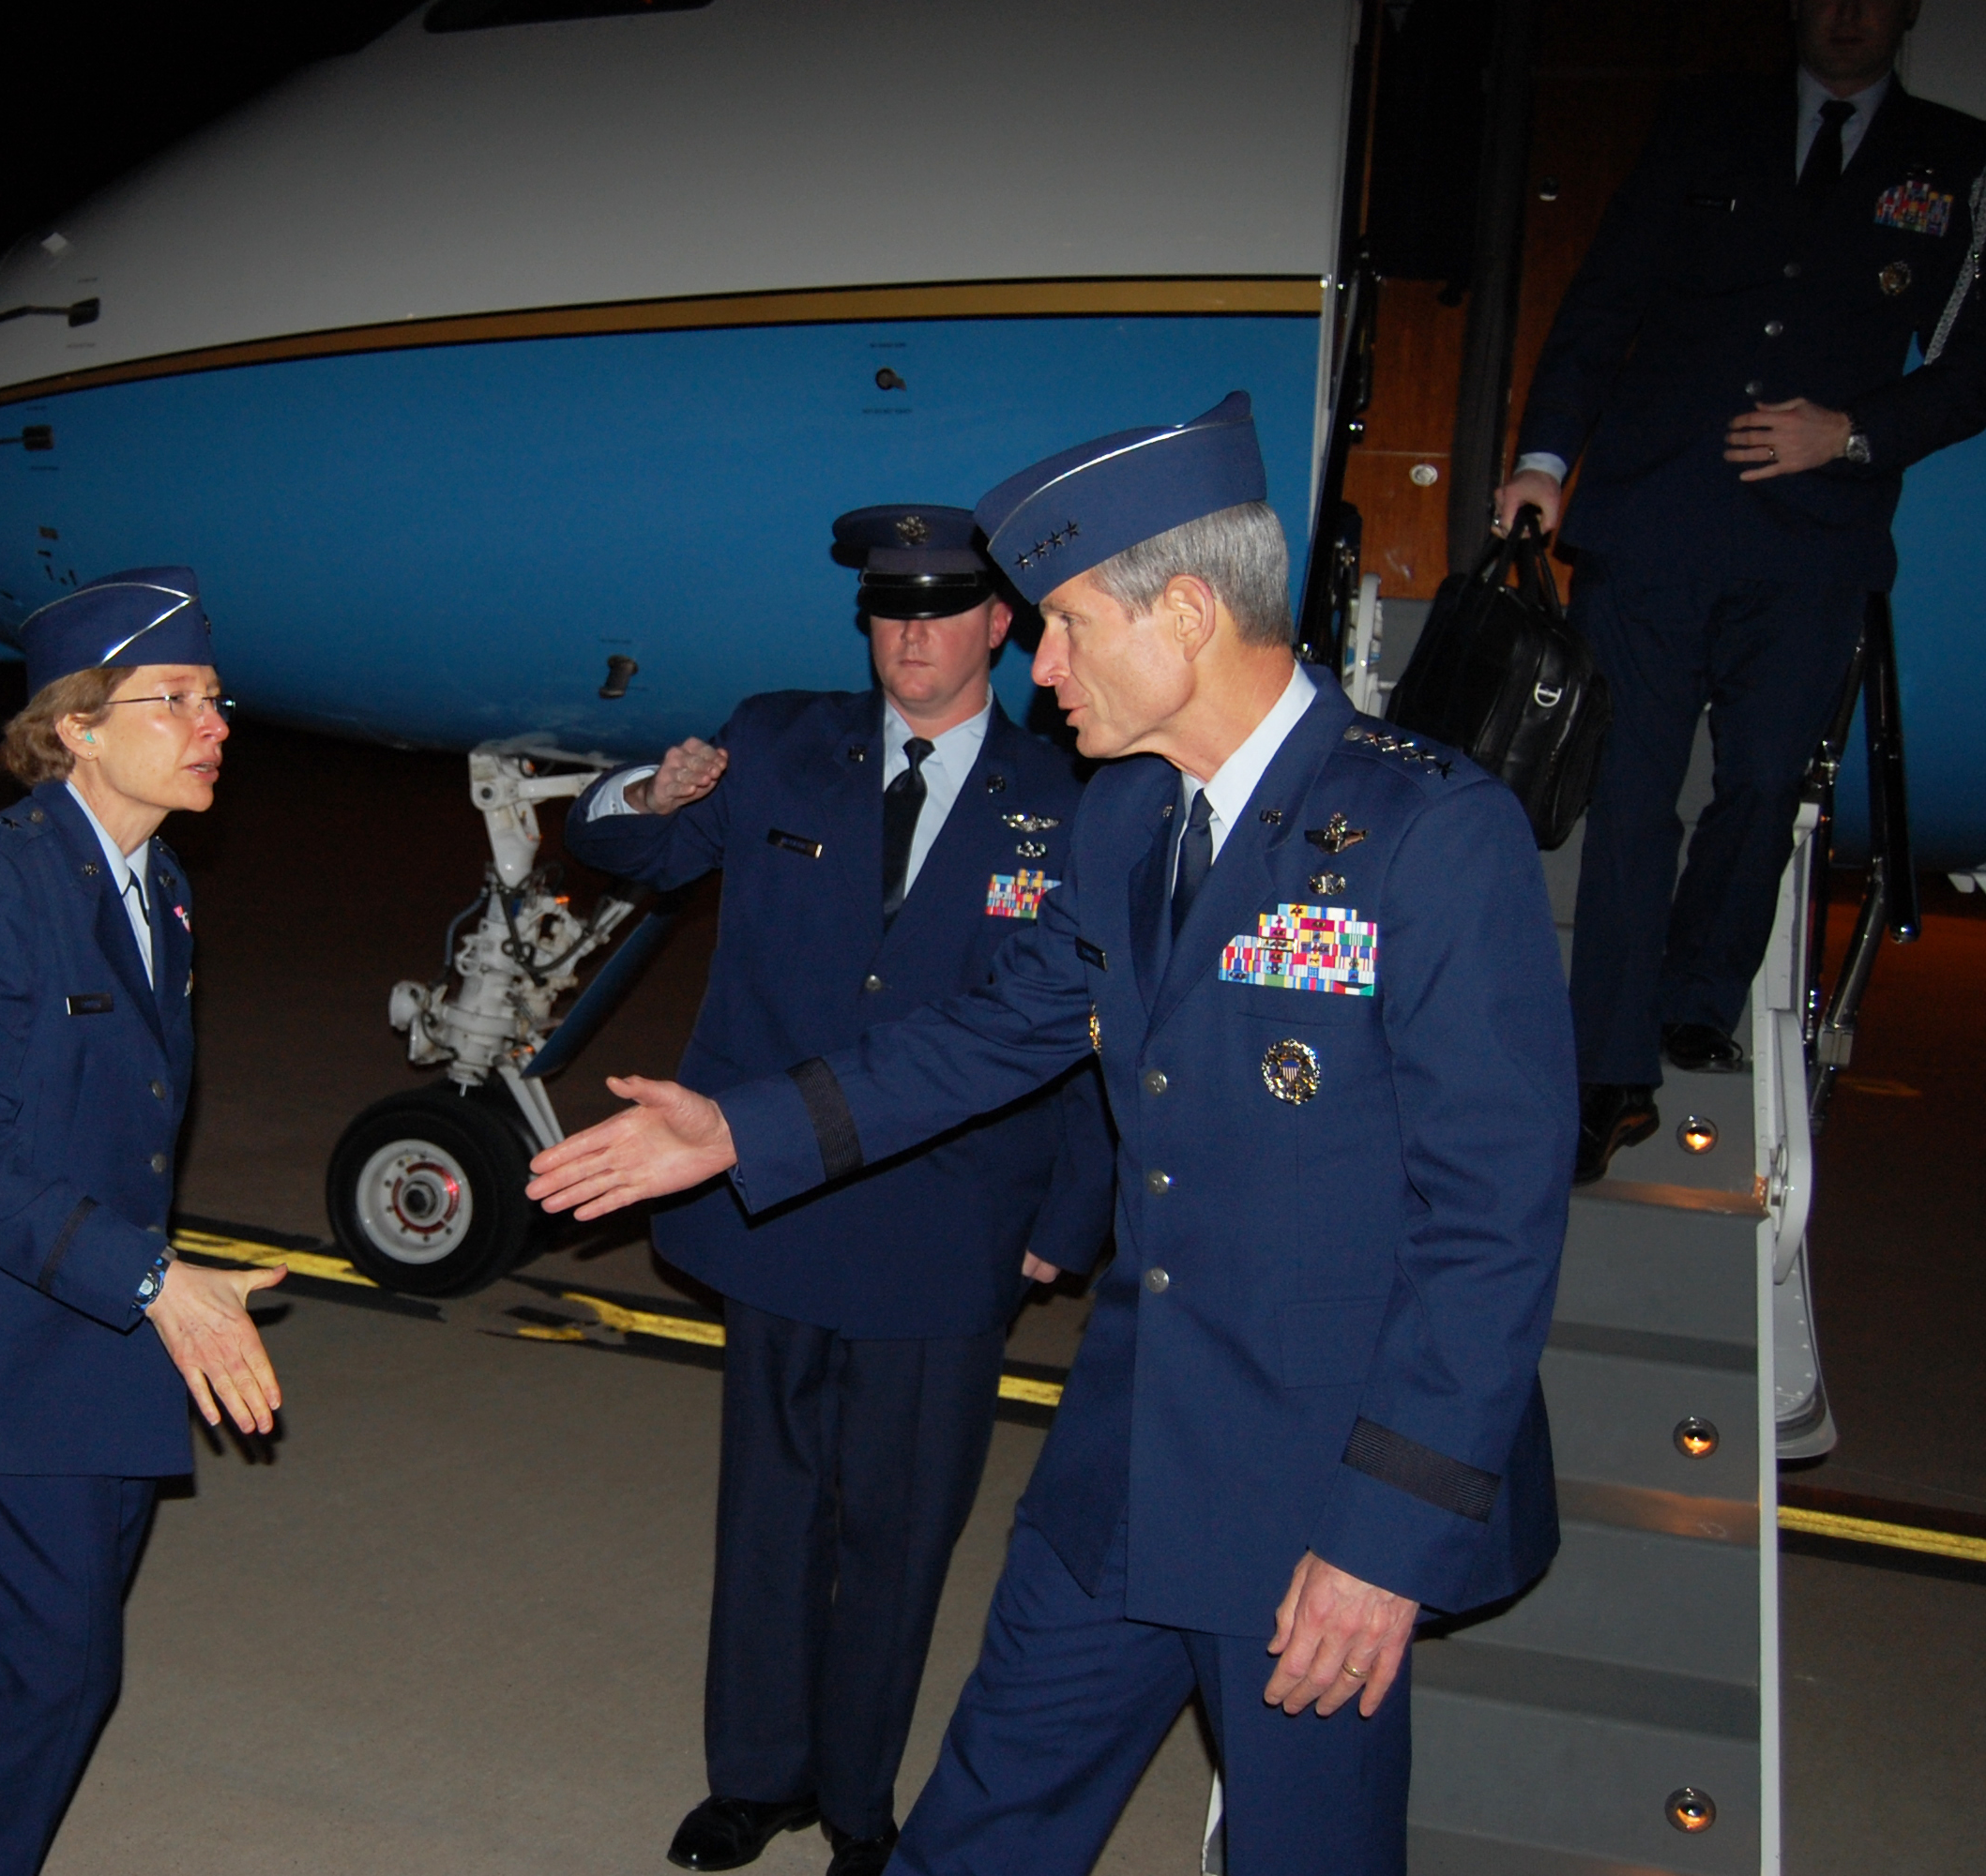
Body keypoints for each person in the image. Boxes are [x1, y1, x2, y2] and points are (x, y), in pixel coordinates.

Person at [529, 393, 1572, 1876]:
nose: (1041, 658)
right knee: (978, 1827)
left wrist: (1383, 1542)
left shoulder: (1427, 835)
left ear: (1191, 615)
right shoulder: (1128, 817)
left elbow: (1494, 1222)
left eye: (1071, 622)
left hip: (1310, 1505)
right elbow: (1001, 1031)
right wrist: (741, 1133)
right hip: (1123, 1468)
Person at [565, 507, 1111, 1876]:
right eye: (887, 611)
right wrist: (649, 794)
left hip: (948, 1223)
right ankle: (752, 1779)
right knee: (769, 1513)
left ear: (1001, 624)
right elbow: (625, 853)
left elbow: (1102, 1033)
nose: (910, 635)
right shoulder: (777, 745)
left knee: (901, 1532)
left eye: (941, 609)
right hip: (776, 1209)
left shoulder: (1074, 798)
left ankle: (860, 1802)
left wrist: (1068, 1222)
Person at [1491, 0, 1986, 1180]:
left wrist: (1855, 432)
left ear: (1909, 13)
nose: (1850, 15)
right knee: (1628, 796)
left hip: (1812, 543)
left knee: (1764, 780)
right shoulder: (1706, 119)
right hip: (1656, 517)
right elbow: (1606, 293)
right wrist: (1545, 457)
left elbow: (1975, 361)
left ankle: (1693, 995)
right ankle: (1604, 1074)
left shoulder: (1955, 161)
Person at [0, 568, 285, 1876]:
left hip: (98, 1344)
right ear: (78, 725)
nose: (214, 724)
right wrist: (160, 1281)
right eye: (177, 700)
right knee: (27, 1689)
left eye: (217, 700)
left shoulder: (156, 886)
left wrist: (147, 1296)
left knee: (53, 1677)